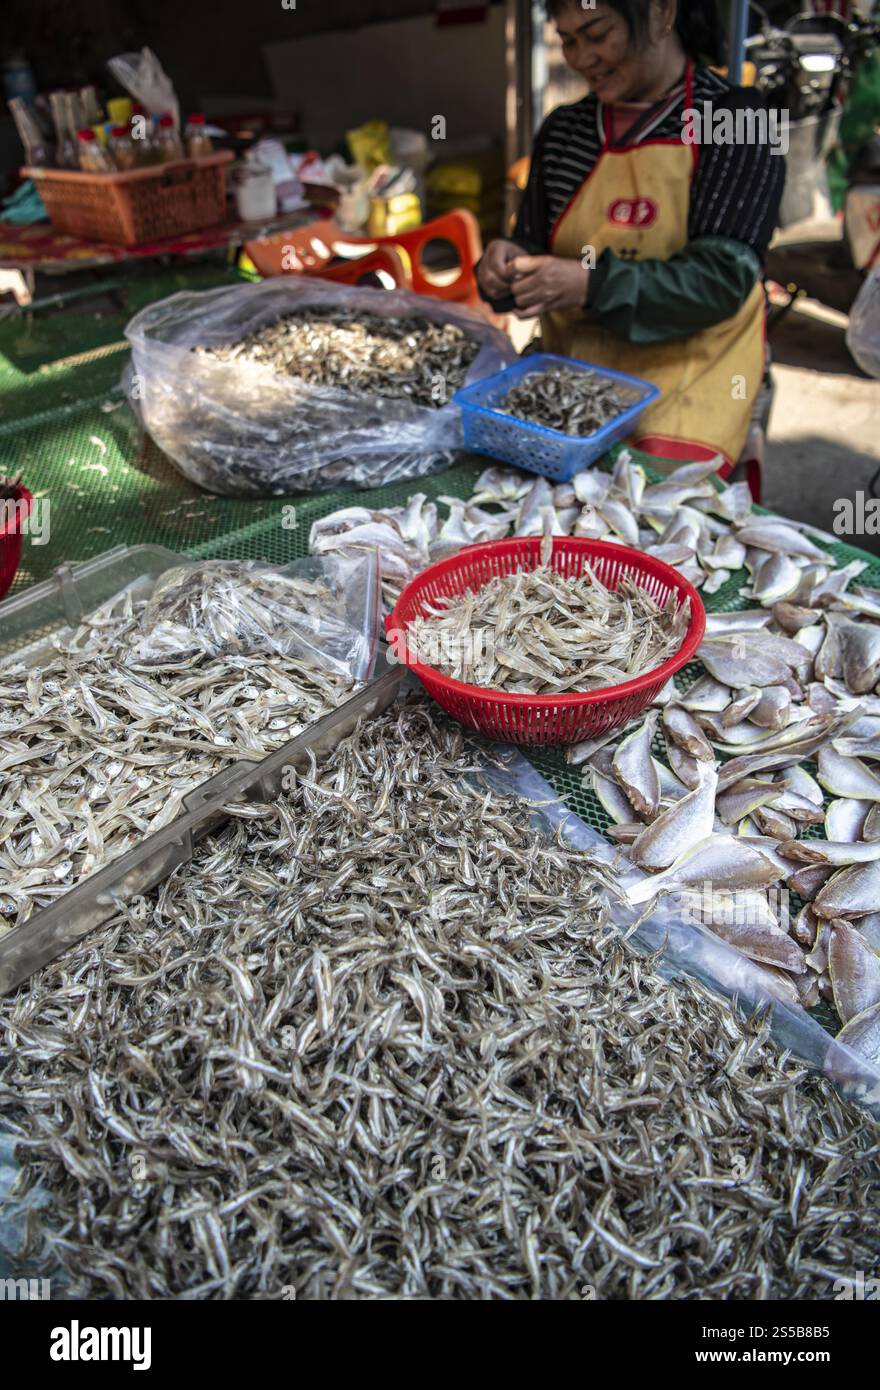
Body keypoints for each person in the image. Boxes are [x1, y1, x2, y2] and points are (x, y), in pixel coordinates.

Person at [477, 0, 785, 471]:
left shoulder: (738, 120)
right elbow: (536, 243)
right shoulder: (564, 132)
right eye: (568, 40)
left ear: (662, 12)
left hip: (689, 393)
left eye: (597, 34)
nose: (581, 58)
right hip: (570, 394)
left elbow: (719, 281)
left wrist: (589, 285)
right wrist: (507, 263)